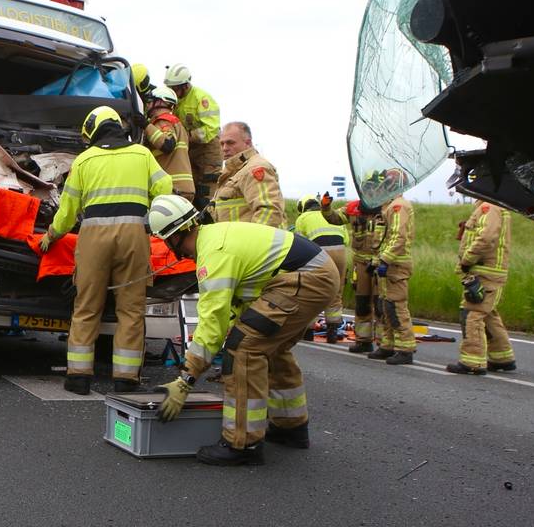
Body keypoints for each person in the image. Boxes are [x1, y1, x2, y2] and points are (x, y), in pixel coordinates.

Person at [149, 194, 340, 466]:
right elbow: (232, 309)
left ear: (172, 237)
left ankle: (242, 443)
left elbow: (212, 319)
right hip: (316, 273)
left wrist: (187, 378)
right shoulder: (216, 237)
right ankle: (291, 428)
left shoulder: (213, 254)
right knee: (270, 348)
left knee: (244, 350)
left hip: (305, 279)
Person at [40, 106, 172, 394]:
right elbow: (166, 187)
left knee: (87, 307)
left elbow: (68, 210)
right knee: (131, 310)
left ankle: (78, 376)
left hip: (93, 239)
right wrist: (152, 221)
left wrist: (51, 234)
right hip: (134, 237)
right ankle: (125, 379)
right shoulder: (142, 154)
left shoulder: (85, 160)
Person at [448, 200, 516, 375]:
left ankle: (473, 361)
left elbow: (486, 238)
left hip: (485, 272)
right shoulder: (490, 207)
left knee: (471, 313)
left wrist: (466, 260)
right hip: (489, 271)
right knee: (487, 314)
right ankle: (502, 358)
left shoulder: (489, 207)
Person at [367, 173, 416, 365]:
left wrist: (385, 260)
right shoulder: (389, 206)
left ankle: (406, 348)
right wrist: (376, 261)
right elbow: (383, 239)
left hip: (396, 266)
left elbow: (398, 237)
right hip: (388, 265)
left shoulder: (398, 206)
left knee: (396, 307)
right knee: (386, 306)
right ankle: (387, 345)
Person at [294, 193, 349, 343]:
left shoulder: (302, 218)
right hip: (341, 254)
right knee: (335, 292)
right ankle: (332, 332)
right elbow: (346, 240)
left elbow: (300, 244)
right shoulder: (333, 215)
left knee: (313, 292)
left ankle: (309, 332)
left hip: (320, 255)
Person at [208, 121, 285, 227]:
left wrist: (250, 243)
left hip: (251, 242)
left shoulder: (256, 168)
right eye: (222, 143)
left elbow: (269, 212)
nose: (224, 148)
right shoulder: (232, 172)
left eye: (230, 143)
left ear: (248, 143)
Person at [163, 63, 220, 205]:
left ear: (185, 85)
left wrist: (186, 136)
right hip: (189, 149)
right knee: (190, 188)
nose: (172, 91)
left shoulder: (201, 98)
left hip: (208, 149)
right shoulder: (175, 101)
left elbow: (210, 128)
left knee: (207, 191)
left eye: (175, 88)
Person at [337, 198, 384, 353]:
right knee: (362, 304)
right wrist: (325, 207)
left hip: (379, 265)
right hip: (362, 265)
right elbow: (335, 218)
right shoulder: (353, 208)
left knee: (380, 306)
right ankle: (363, 341)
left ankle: (384, 344)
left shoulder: (387, 211)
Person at [143, 85, 195, 200]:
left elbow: (168, 144)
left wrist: (145, 125)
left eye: (151, 101)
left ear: (161, 102)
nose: (148, 105)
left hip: (172, 188)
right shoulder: (178, 124)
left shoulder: (163, 121)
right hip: (183, 188)